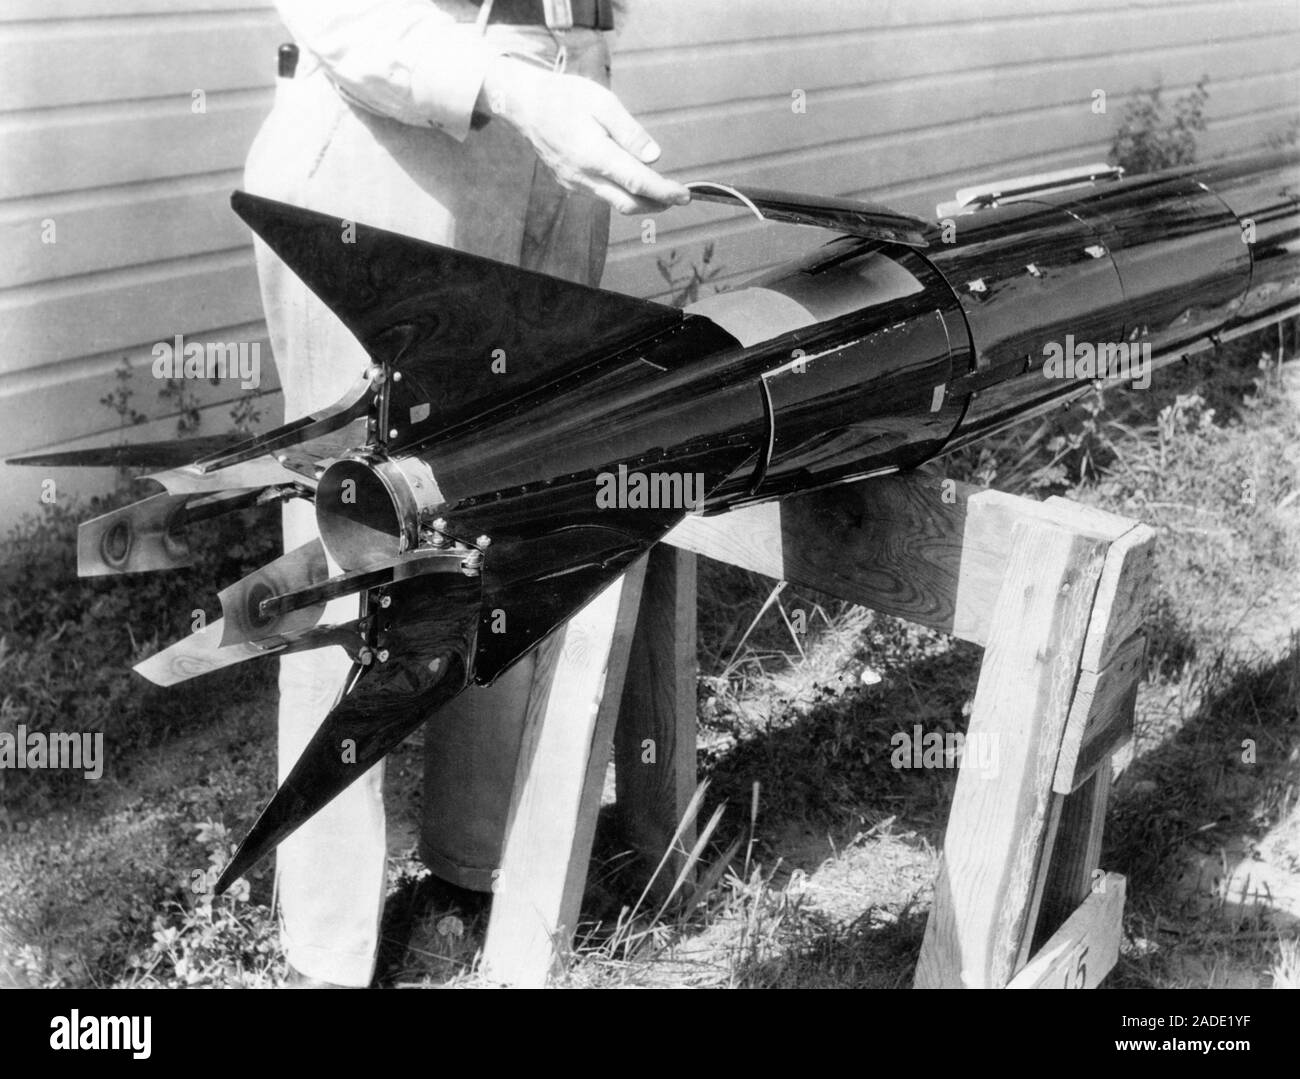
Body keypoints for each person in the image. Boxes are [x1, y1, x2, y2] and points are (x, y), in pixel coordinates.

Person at [244, 0, 689, 988]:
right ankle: (329, 944)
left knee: (506, 517)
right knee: (353, 546)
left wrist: (563, 80)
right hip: (386, 147)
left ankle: (469, 868)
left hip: (557, 126)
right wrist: (520, 86)